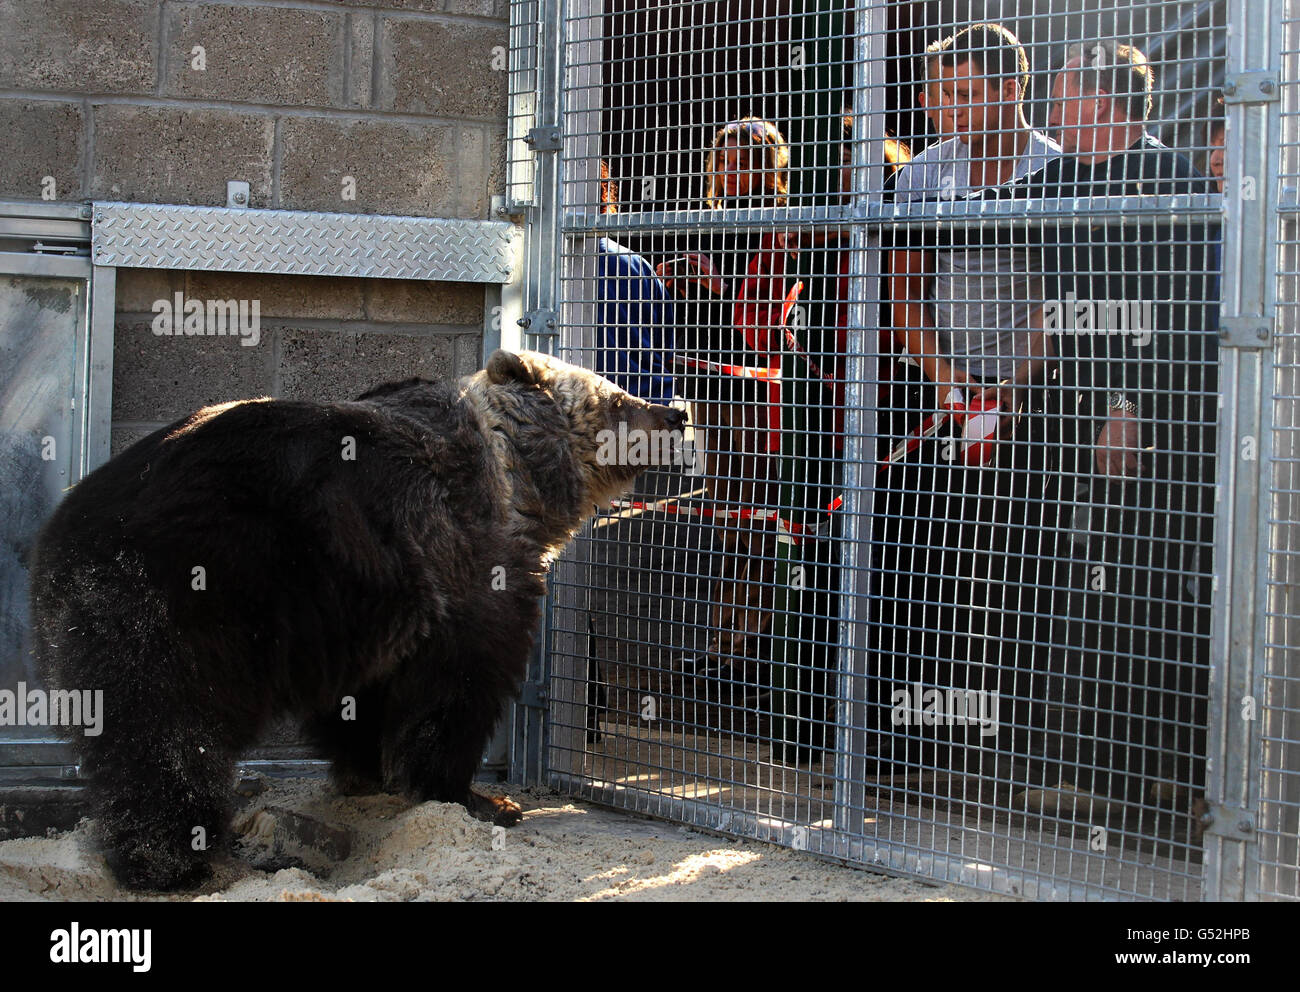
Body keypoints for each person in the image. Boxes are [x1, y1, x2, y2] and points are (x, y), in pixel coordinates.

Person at [879, 23, 1061, 768]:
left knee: (1023, 572)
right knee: (921, 565)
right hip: (940, 395)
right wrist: (953, 388)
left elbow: (1063, 302)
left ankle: (1020, 751)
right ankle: (908, 745)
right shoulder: (921, 176)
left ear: (1011, 91)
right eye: (935, 94)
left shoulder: (1056, 171)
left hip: (1034, 399)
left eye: (962, 94)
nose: (941, 109)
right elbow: (906, 296)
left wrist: (1010, 394)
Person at [657, 118, 796, 678]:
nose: (730, 169)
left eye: (743, 160)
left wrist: (715, 283)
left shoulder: (778, 221)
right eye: (723, 159)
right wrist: (670, 277)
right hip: (708, 380)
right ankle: (723, 642)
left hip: (756, 381)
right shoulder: (711, 218)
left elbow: (773, 299)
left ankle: (753, 644)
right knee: (725, 508)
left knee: (759, 503)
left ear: (768, 167)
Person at [596, 161, 677, 405]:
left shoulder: (558, 268)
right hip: (646, 403)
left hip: (589, 409)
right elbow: (666, 345)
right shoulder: (638, 265)